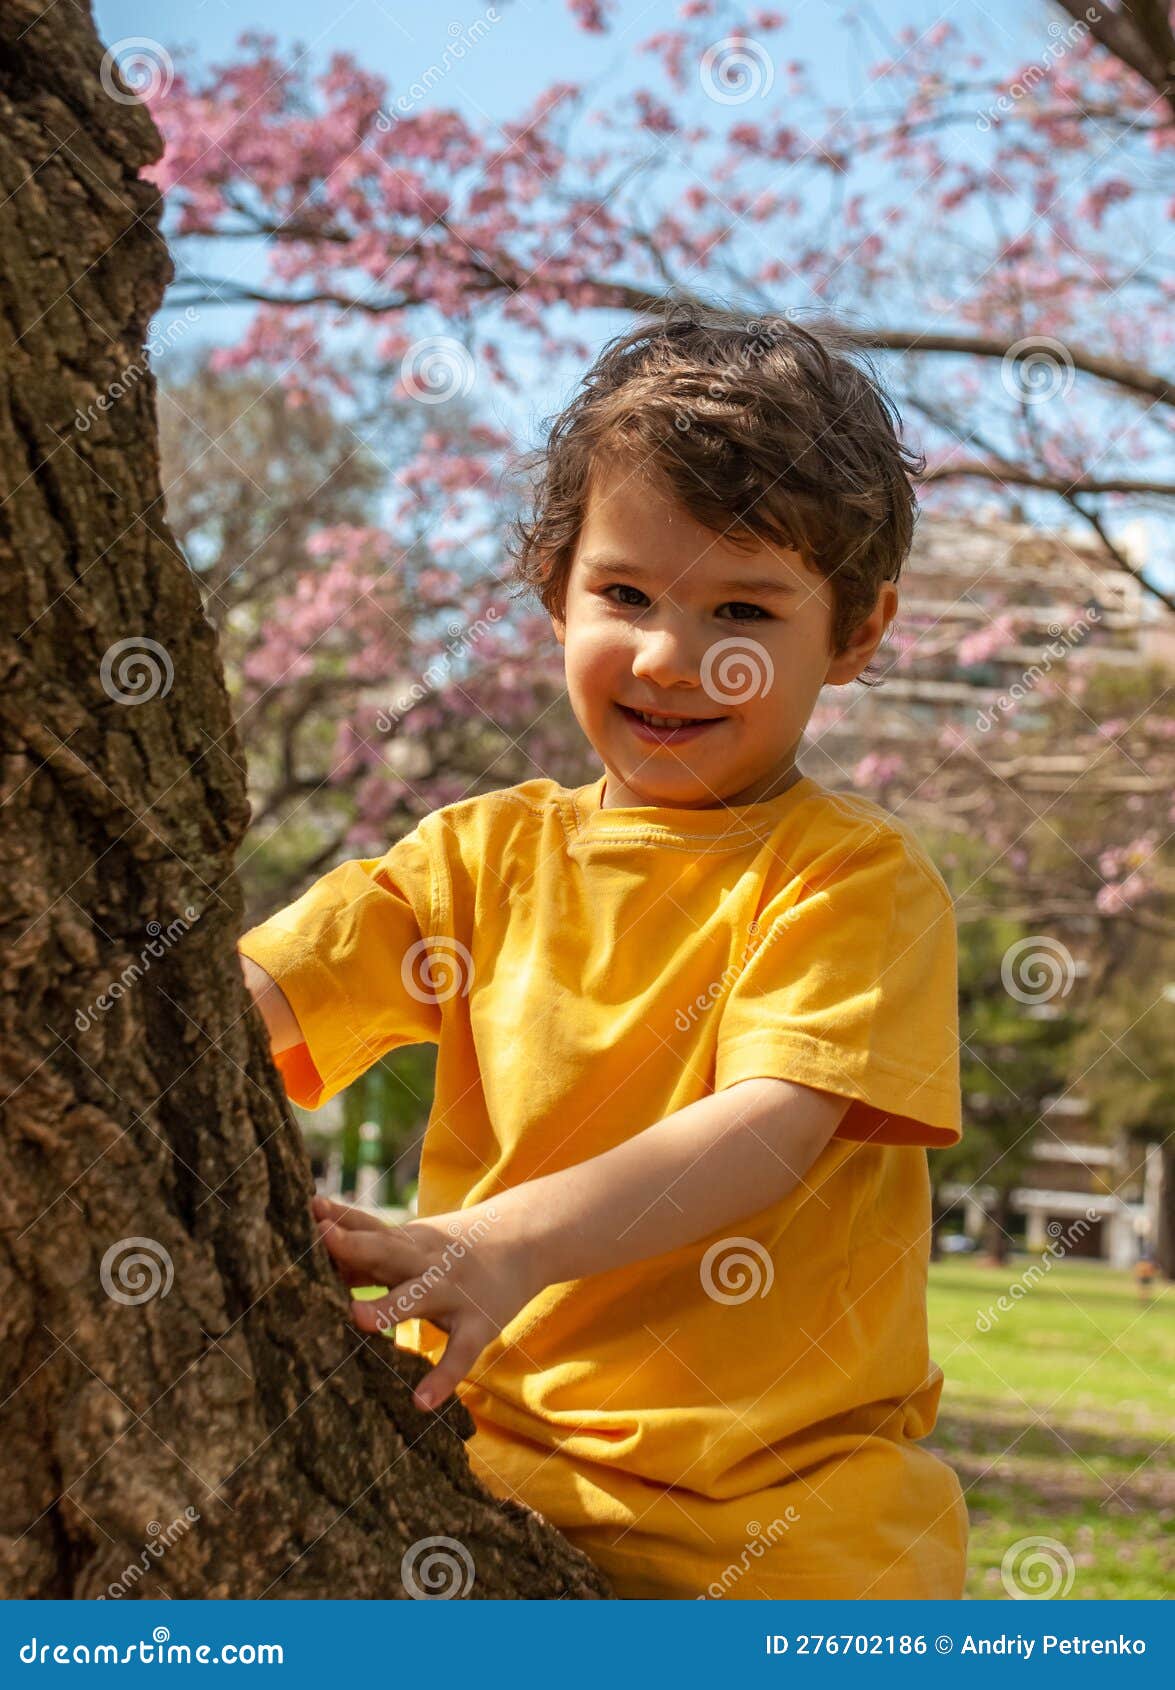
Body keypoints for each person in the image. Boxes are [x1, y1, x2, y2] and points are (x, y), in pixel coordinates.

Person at [237, 306, 969, 1600]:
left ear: (855, 633)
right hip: (486, 1489)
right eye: (624, 593)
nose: (670, 656)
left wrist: (503, 1243)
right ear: (553, 585)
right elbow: (241, 1002)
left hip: (793, 1548)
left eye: (745, 607)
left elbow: (764, 1129)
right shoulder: (473, 858)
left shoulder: (854, 879)